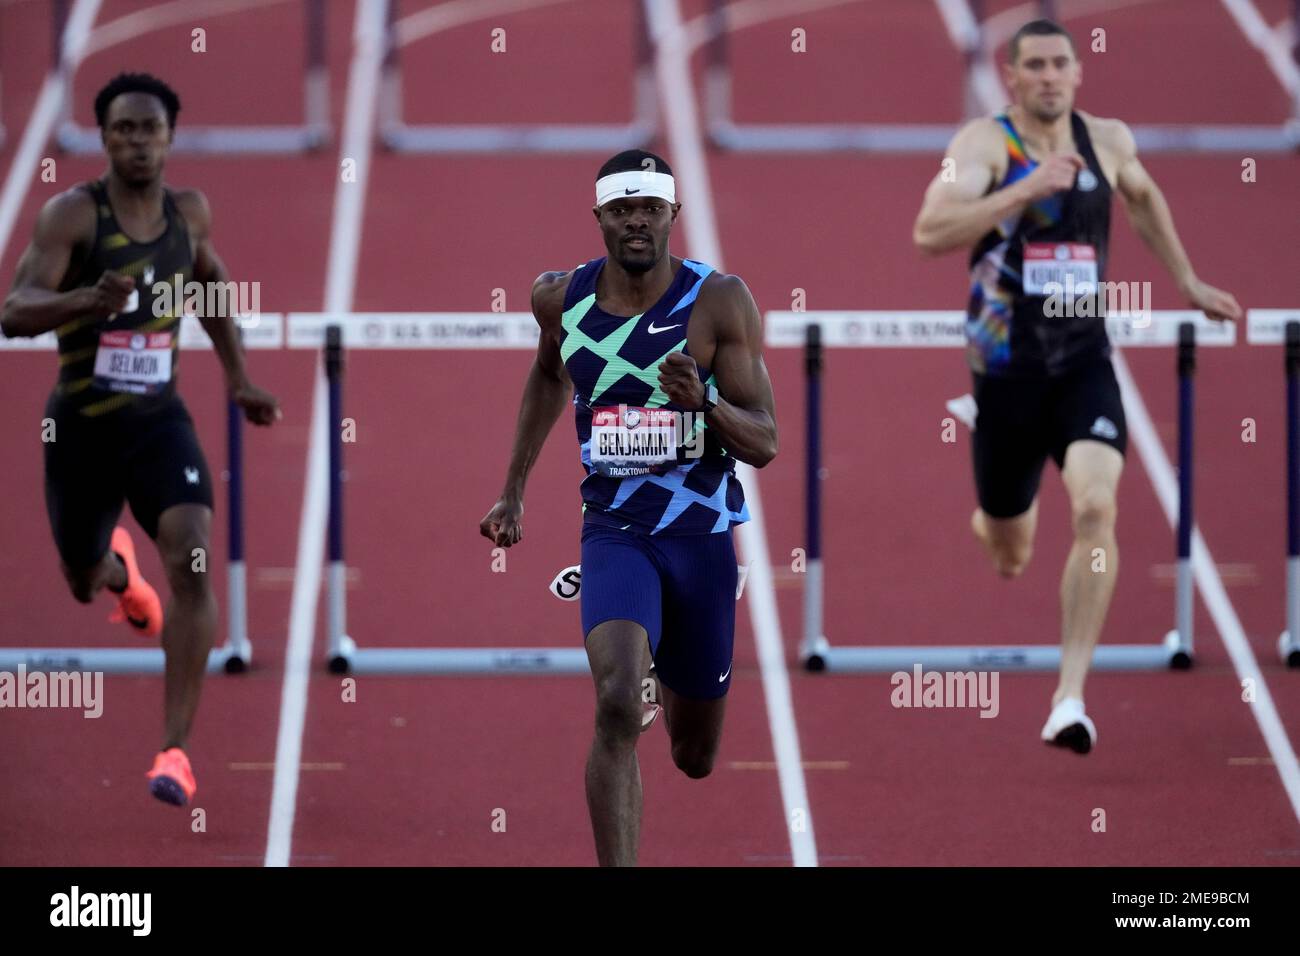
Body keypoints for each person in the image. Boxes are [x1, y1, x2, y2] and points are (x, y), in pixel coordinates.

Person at [912, 20, 1241, 753]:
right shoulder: (983, 145)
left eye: (1062, 63)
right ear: (1013, 74)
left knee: (1097, 506)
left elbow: (1145, 198)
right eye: (1036, 66)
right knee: (1010, 553)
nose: (1051, 76)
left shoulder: (1109, 140)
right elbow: (929, 230)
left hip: (1085, 364)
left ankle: (1068, 697)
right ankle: (991, 508)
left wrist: (1186, 279)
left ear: (1078, 72)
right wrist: (1022, 189)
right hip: (1004, 375)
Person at [479, 149, 777, 864]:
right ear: (600, 218)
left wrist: (703, 402)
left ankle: (667, 664)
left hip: (699, 536)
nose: (636, 221)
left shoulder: (719, 302)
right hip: (615, 530)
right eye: (622, 209)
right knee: (615, 702)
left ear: (673, 213)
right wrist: (512, 489)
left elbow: (764, 439)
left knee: (693, 754)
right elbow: (549, 375)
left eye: (649, 208)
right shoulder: (559, 297)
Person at [1, 73, 281, 803]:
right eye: (122, 129)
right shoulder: (74, 217)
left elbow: (213, 288)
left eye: (148, 128)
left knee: (192, 564)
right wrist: (82, 301)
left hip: (160, 423)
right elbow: (14, 310)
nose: (136, 141)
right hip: (83, 432)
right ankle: (119, 578)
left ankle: (175, 751)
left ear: (169, 136)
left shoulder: (189, 214)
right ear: (103, 137)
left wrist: (239, 377)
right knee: (80, 578)